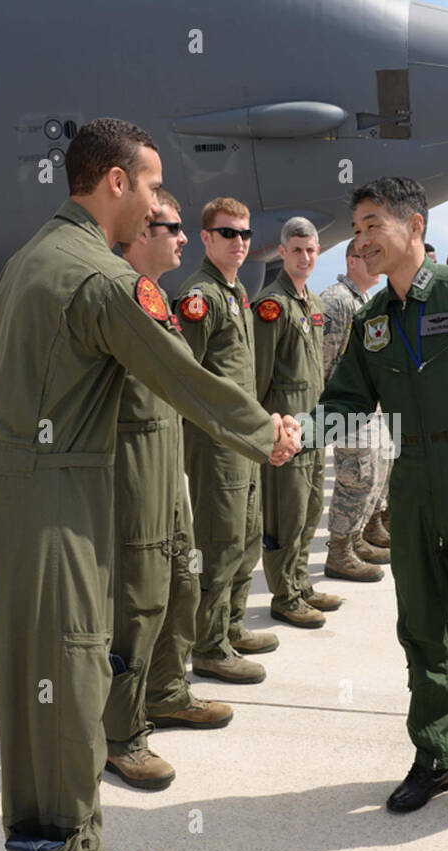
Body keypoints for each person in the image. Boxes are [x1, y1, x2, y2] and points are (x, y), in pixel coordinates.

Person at [0, 118, 301, 851]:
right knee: (68, 696)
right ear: (116, 181)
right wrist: (264, 432)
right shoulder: (104, 279)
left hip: (2, 497)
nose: (154, 205)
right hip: (49, 510)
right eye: (150, 186)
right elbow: (181, 375)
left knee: (39, 696)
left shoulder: (30, 257)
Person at [315, 176, 448, 834]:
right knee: (421, 627)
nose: (362, 240)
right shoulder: (374, 319)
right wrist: (297, 432)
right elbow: (348, 400)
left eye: (373, 225)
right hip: (411, 486)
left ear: (414, 226)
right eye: (357, 228)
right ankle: (436, 756)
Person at [100, 190, 236, 793]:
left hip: (167, 470)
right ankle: (120, 736)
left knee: (182, 582)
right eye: (172, 227)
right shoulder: (118, 300)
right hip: (132, 475)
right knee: (136, 605)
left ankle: (166, 692)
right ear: (139, 231)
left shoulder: (155, 302)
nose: (183, 238)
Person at [173, 198, 280, 683]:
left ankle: (231, 626)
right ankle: (210, 647)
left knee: (246, 536)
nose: (240, 242)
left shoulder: (235, 292)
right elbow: (186, 377)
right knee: (219, 542)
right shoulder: (200, 297)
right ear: (206, 238)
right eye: (228, 233)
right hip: (216, 444)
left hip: (242, 440)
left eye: (245, 234)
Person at [253, 218, 344, 628]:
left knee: (309, 511)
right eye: (296, 250)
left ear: (318, 252)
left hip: (312, 426)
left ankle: (300, 584)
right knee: (285, 515)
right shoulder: (271, 305)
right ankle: (284, 596)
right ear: (282, 252)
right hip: (286, 431)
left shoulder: (314, 304)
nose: (304, 257)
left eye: (310, 250)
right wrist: (267, 431)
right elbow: (258, 376)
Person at [320, 239, 392, 583]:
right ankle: (339, 552)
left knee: (375, 474)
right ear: (351, 261)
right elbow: (324, 359)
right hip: (346, 406)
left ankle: (361, 535)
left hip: (367, 406)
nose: (376, 263)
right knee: (355, 478)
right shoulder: (336, 301)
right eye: (367, 256)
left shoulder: (363, 299)